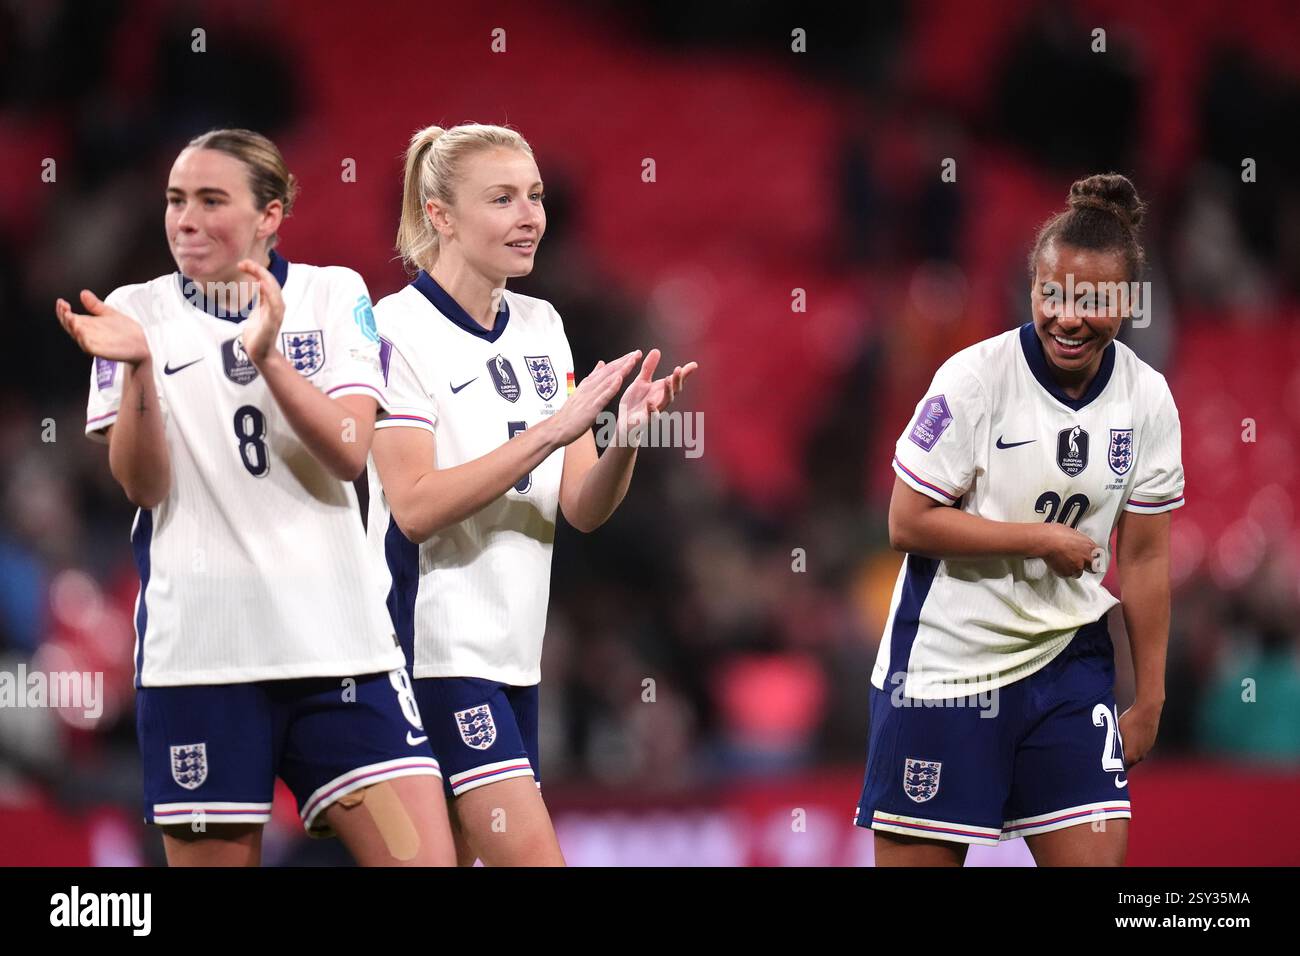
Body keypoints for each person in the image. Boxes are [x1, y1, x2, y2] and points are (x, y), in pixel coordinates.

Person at [57, 128, 455, 866]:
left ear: (270, 215)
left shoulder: (333, 295)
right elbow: (141, 486)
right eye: (176, 200)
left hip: (341, 652)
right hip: (204, 662)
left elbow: (346, 449)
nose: (186, 219)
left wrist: (266, 354)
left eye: (212, 200)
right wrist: (141, 369)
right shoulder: (131, 311)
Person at [368, 123, 697, 865]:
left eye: (537, 197)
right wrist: (550, 431)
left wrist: (626, 436)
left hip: (515, 658)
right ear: (441, 215)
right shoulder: (394, 332)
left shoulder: (542, 326)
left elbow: (581, 504)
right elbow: (413, 505)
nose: (530, 217)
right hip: (434, 655)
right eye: (504, 198)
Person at [855, 173, 1184, 866]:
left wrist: (1150, 694)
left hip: (1069, 670)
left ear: (1127, 302)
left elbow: (1148, 556)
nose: (1066, 317)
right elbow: (908, 523)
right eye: (1050, 293)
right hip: (947, 670)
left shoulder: (1148, 400)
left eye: (1091, 300)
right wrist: (1039, 540)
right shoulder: (973, 380)